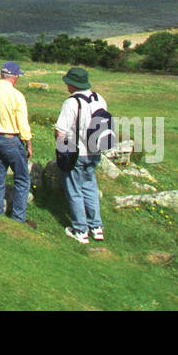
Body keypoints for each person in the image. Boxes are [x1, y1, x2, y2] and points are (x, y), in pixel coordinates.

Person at [0, 61, 36, 228]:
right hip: (11, 139)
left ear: (2, 74)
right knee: (23, 179)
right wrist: (28, 144)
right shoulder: (17, 96)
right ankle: (18, 218)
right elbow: (23, 123)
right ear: (15, 77)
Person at [55, 66, 105, 243]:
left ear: (73, 84)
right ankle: (96, 227)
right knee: (90, 187)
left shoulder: (72, 103)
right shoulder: (99, 99)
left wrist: (61, 152)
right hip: (95, 150)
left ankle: (80, 230)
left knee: (74, 190)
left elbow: (61, 131)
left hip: (76, 151)